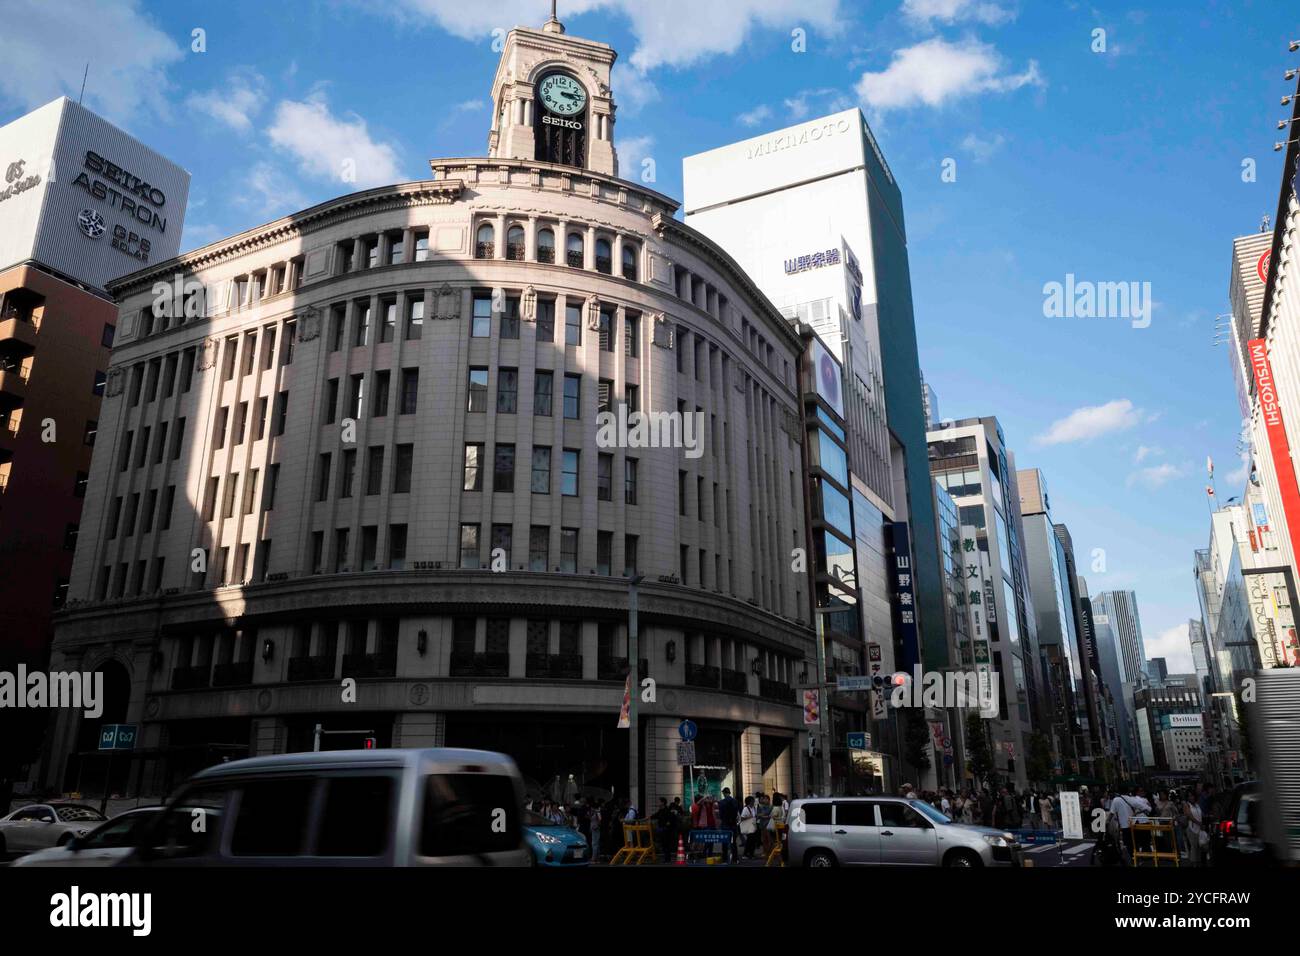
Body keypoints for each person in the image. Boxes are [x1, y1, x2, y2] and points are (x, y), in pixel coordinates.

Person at [718, 788, 740, 863]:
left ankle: (724, 858)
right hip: (733, 824)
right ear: (729, 793)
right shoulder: (735, 801)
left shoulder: (721, 802)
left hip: (725, 824)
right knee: (733, 842)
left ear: (724, 793)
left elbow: (720, 815)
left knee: (724, 842)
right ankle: (735, 858)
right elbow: (737, 812)